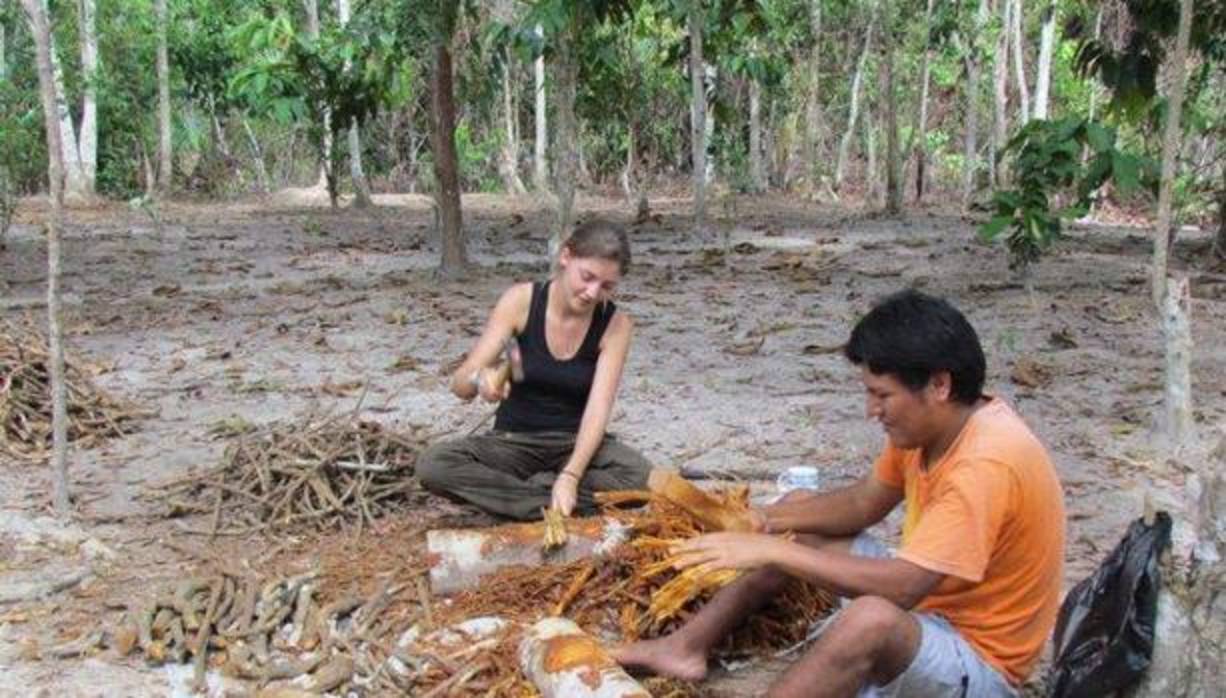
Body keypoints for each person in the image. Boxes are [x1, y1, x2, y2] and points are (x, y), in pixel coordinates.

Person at [614, 289, 1066, 698]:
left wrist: (771, 551)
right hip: (931, 611)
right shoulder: (933, 427)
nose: (872, 412)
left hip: (979, 663)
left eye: (882, 396)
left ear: (939, 385)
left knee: (869, 621)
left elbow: (905, 587)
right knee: (798, 515)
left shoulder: (986, 462)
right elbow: (862, 504)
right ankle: (685, 648)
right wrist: (769, 522)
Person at [417, 220, 652, 520]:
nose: (593, 293)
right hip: (514, 443)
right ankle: (545, 503)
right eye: (587, 277)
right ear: (566, 257)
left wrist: (570, 476)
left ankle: (518, 503)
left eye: (607, 286)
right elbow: (460, 386)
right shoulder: (522, 302)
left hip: (575, 444)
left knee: (642, 479)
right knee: (434, 464)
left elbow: (598, 411)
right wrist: (481, 380)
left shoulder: (616, 325)